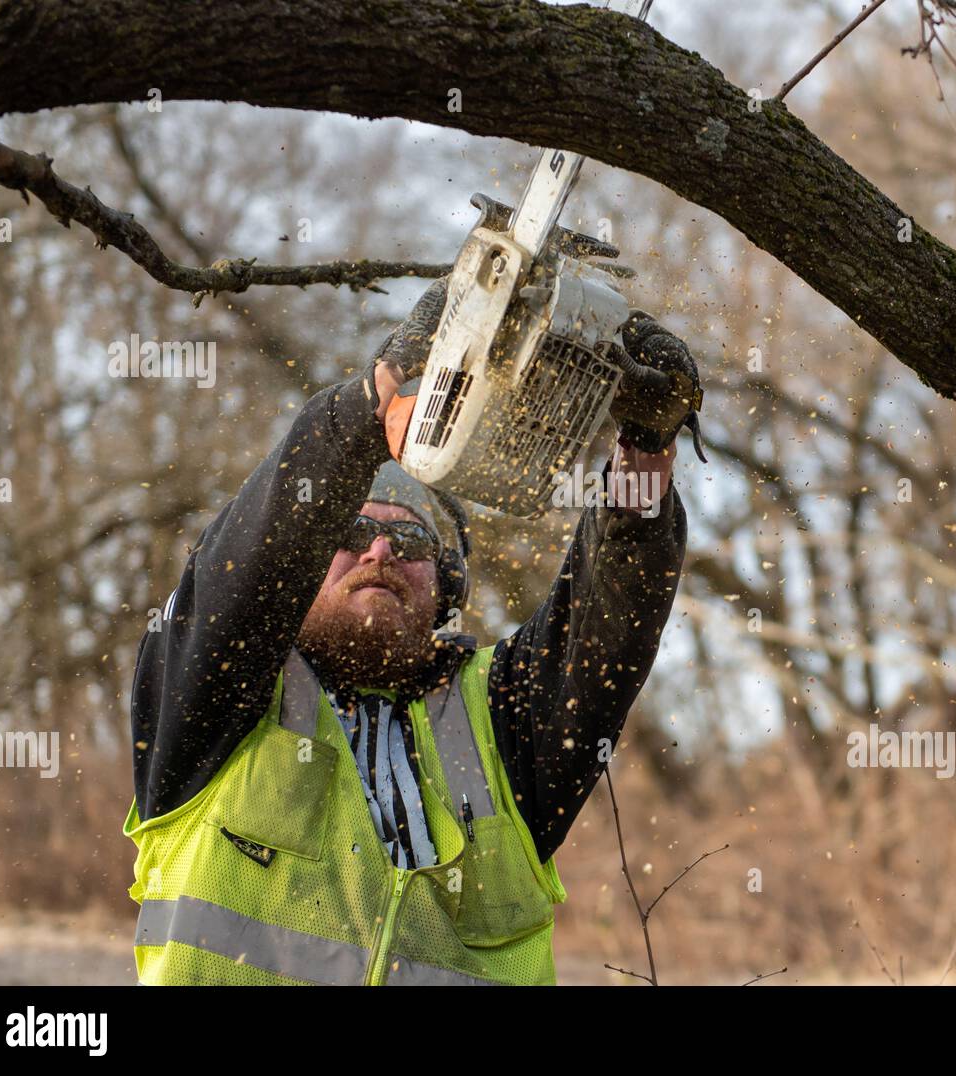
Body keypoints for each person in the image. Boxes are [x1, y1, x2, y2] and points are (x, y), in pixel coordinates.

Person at [123, 279, 700, 984]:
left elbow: (607, 625)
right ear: (304, 560)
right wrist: (375, 399)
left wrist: (645, 454)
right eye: (353, 530)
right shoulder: (218, 691)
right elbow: (244, 562)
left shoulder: (500, 723)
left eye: (413, 543)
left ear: (447, 588)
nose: (380, 551)